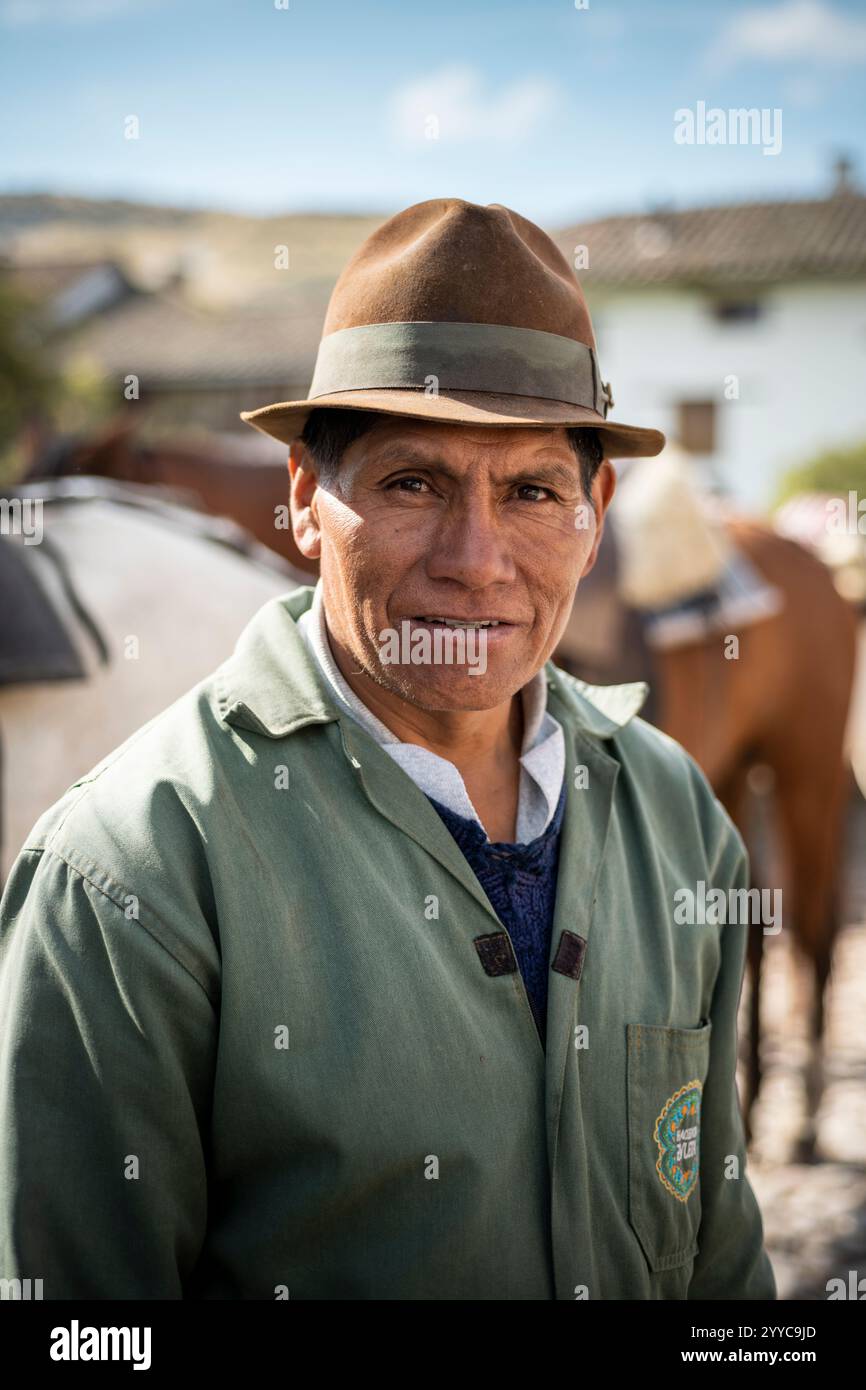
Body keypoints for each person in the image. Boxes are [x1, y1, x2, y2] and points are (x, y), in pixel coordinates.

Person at [0, 198, 775, 1300]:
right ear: (305, 499)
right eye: (413, 483)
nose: (475, 558)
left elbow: (722, 1268)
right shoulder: (128, 875)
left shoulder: (675, 816)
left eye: (531, 492)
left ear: (595, 510)